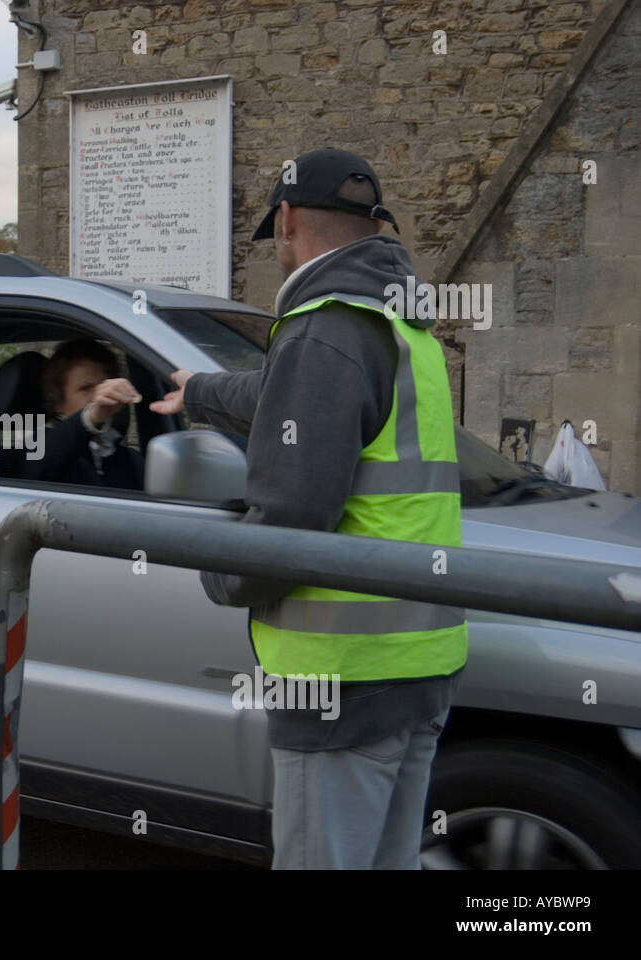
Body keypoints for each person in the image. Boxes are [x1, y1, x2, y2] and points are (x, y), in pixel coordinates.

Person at [150, 147, 467, 869]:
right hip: (419, 660)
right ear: (376, 224)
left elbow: (292, 518)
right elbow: (290, 397)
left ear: (286, 219)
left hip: (342, 676)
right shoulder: (399, 326)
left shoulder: (325, 327)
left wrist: (217, 573)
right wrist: (199, 390)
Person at [23, 339, 143, 489]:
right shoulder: (40, 446)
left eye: (105, 387)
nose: (99, 396)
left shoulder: (129, 458)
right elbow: (40, 465)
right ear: (58, 401)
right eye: (85, 389)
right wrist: (92, 417)